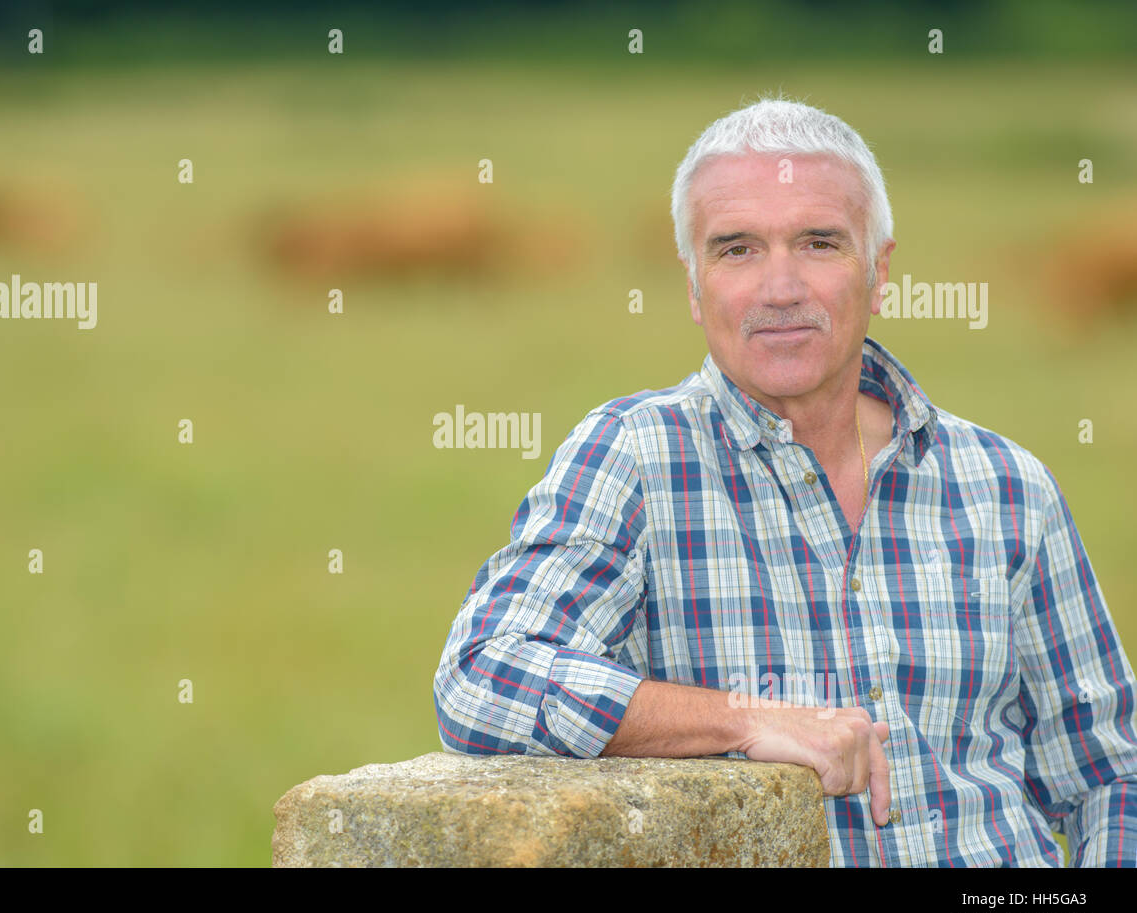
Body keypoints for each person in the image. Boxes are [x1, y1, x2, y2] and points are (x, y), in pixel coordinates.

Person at [431, 96, 1137, 867]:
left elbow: (1111, 772)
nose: (781, 288)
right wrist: (748, 719)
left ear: (880, 270)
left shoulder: (1007, 485)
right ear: (693, 286)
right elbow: (483, 672)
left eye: (818, 243)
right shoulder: (634, 458)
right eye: (736, 249)